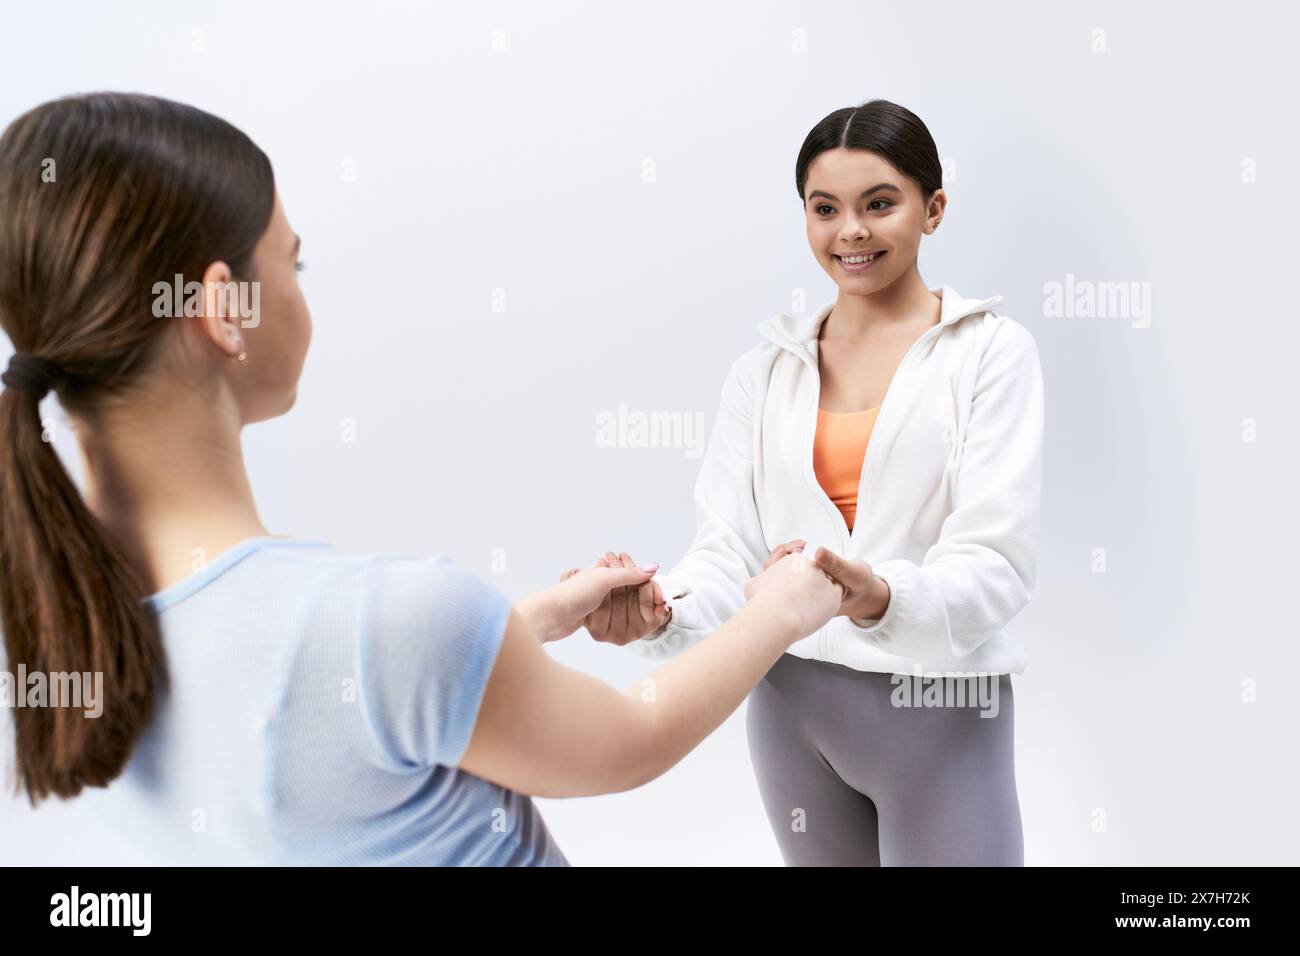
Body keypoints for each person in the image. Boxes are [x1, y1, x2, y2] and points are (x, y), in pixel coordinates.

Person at [0, 91, 845, 865]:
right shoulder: (382, 623)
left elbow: (321, 711)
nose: (300, 289)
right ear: (225, 312)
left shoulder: (62, 624)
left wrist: (515, 630)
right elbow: (631, 738)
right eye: (292, 264)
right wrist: (777, 611)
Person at [585, 100, 1046, 865]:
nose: (851, 232)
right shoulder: (762, 374)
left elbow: (996, 563)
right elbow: (728, 555)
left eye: (879, 204)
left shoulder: (991, 356)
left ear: (933, 209)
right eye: (824, 208)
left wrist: (877, 594)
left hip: (940, 706)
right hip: (790, 709)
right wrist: (663, 615)